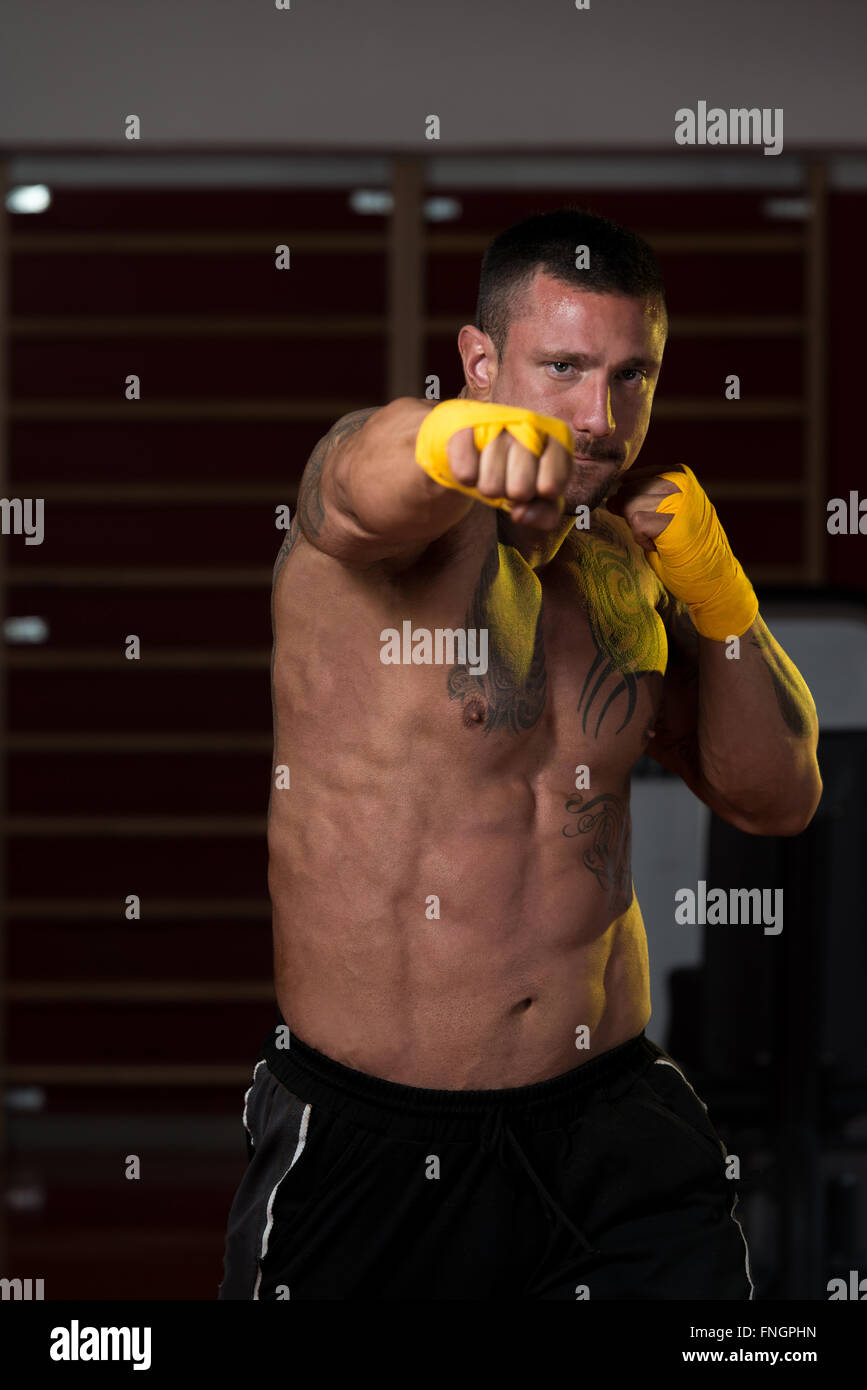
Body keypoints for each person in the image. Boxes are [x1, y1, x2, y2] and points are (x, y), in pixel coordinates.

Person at [218, 207, 822, 1300]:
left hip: (614, 1122)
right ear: (479, 360)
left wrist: (726, 603)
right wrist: (449, 441)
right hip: (380, 1147)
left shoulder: (623, 569)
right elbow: (348, 483)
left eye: (632, 376)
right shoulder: (387, 546)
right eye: (563, 368)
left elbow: (777, 797)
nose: (600, 418)